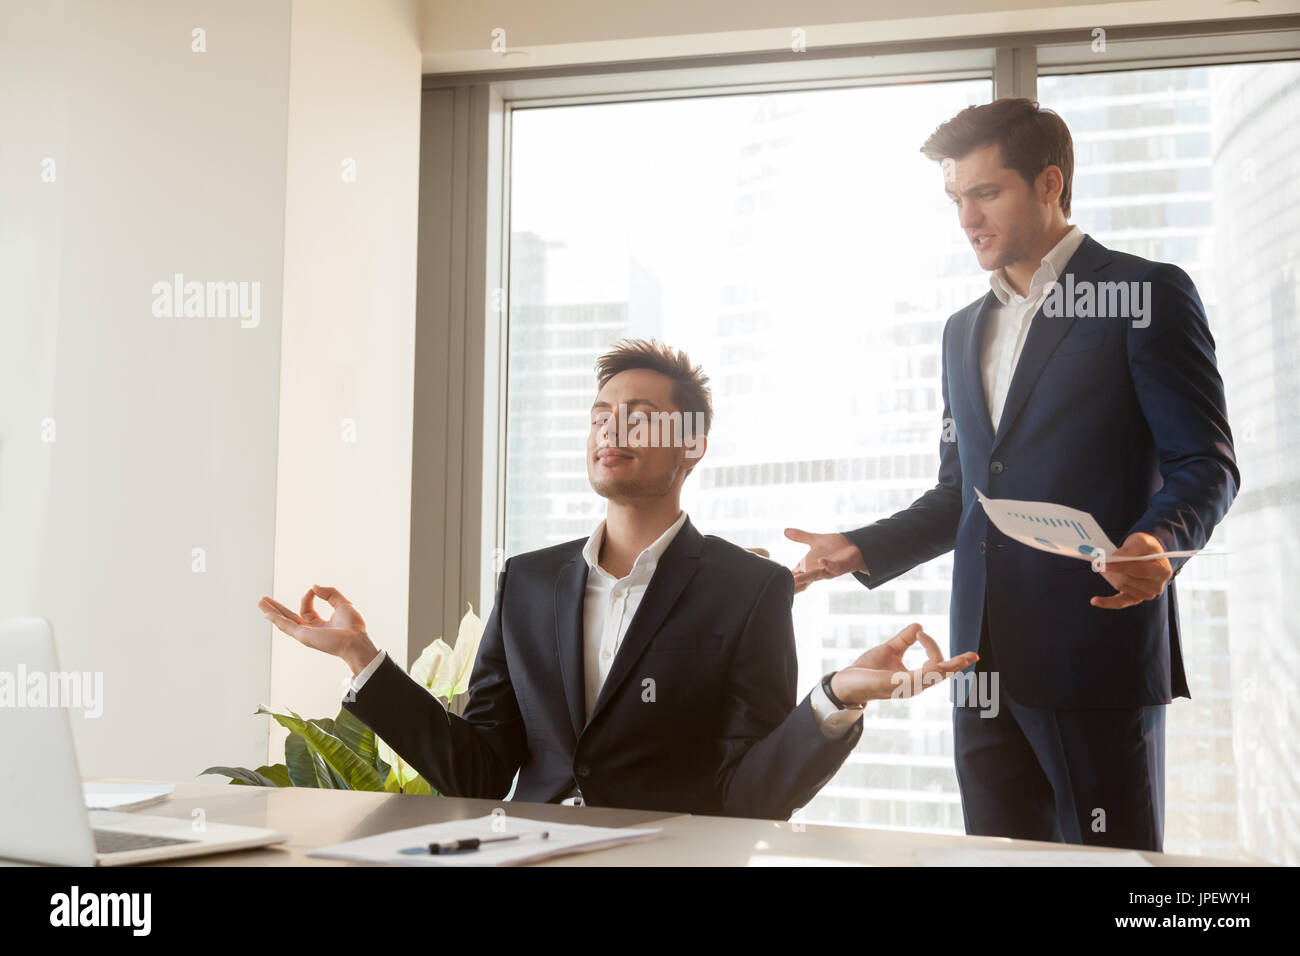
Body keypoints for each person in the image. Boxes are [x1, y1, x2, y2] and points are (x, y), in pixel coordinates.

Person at [260, 339, 975, 819]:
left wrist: (835, 697)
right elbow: (478, 772)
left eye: (639, 418)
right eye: (601, 416)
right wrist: (360, 656)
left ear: (691, 447)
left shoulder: (746, 590)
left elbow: (748, 795)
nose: (612, 432)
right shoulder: (528, 582)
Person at [786, 98, 1238, 851]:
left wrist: (1160, 540)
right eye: (955, 199)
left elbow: (1206, 462)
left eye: (986, 193)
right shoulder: (963, 331)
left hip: (1096, 658)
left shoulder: (1146, 295)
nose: (967, 217)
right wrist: (857, 549)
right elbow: (961, 494)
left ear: (1051, 183)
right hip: (979, 668)